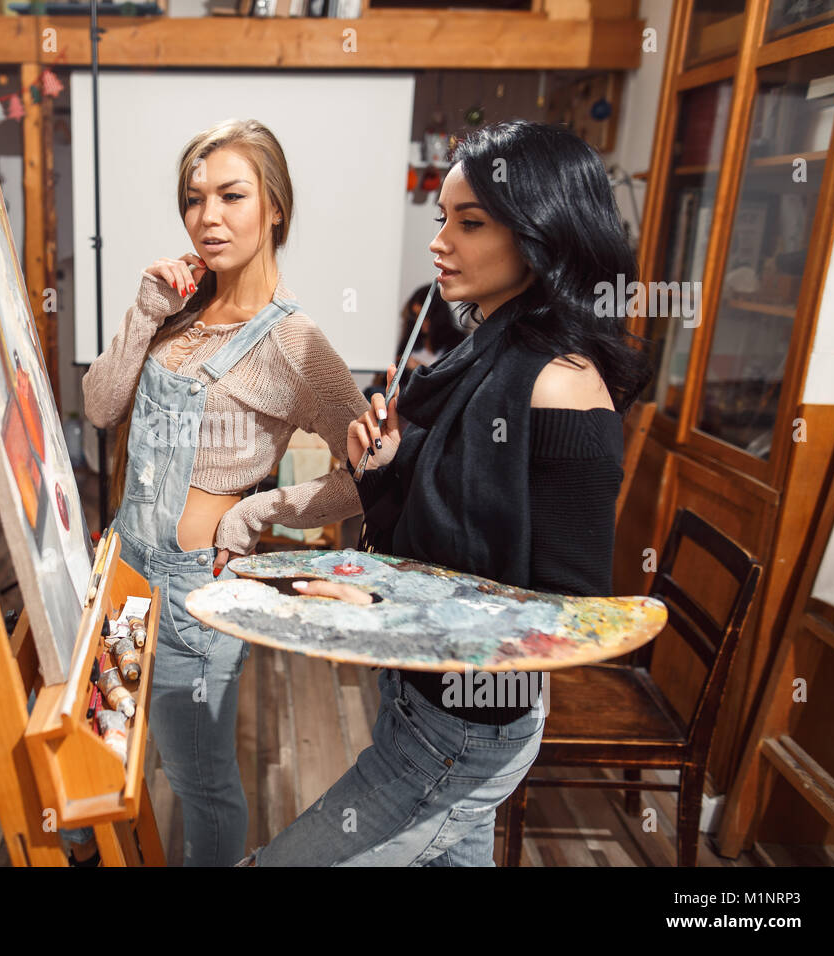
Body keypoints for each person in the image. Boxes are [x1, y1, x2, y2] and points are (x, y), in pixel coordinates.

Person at [247, 120, 652, 866]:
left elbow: (564, 613)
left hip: (467, 728)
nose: (440, 241)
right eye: (443, 219)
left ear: (541, 232)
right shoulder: (481, 353)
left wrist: (381, 604)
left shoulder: (561, 387)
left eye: (470, 223)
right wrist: (391, 462)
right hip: (424, 701)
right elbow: (441, 523)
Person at [78, 119, 369, 866]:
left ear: (274, 206)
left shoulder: (295, 343)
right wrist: (141, 314)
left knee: (197, 780)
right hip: (120, 572)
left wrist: (254, 513)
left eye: (231, 196)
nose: (208, 217)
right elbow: (100, 407)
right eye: (194, 198)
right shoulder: (176, 308)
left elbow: (367, 477)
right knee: (94, 753)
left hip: (192, 596)